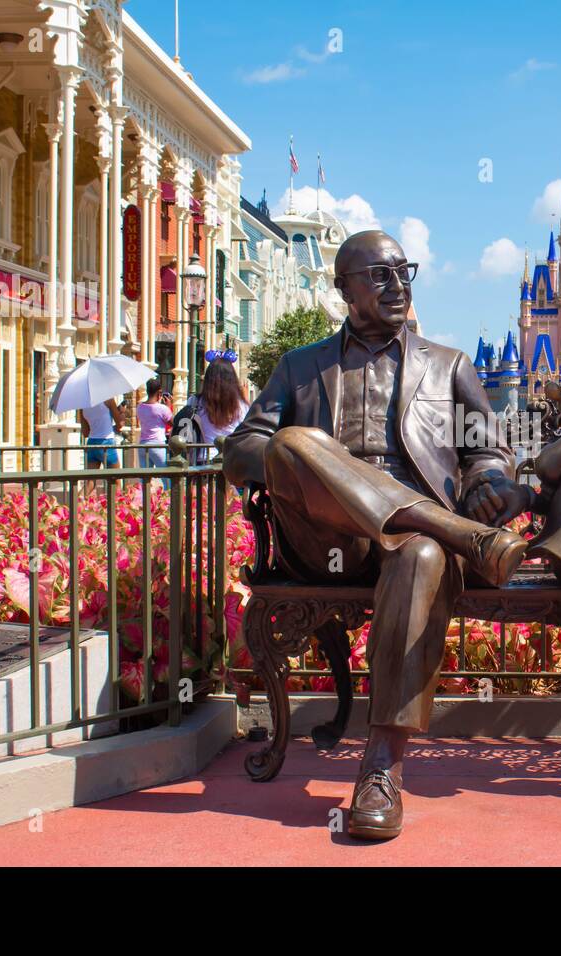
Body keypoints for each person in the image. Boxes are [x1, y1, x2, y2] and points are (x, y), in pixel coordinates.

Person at [222, 229, 528, 841]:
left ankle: (381, 768)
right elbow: (240, 449)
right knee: (292, 442)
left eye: (404, 272)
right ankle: (460, 535)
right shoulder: (299, 366)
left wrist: (489, 479)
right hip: (323, 544)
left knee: (418, 551)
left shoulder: (449, 365)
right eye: (380, 275)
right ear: (345, 289)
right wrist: (298, 461)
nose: (397, 285)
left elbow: (487, 451)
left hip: (411, 554)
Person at [190, 359, 249, 463]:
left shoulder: (195, 401)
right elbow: (247, 430)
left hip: (203, 458)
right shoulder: (241, 405)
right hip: (231, 460)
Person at [136, 378, 173, 469]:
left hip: (143, 444)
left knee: (145, 478)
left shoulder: (139, 407)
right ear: (159, 392)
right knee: (166, 476)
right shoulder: (162, 408)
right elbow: (173, 422)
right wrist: (169, 406)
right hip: (157, 444)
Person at [80, 397, 123, 469]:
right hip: (106, 442)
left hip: (91, 443)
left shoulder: (82, 405)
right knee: (114, 477)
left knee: (91, 478)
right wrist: (121, 412)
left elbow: (85, 433)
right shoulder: (108, 400)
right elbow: (120, 424)